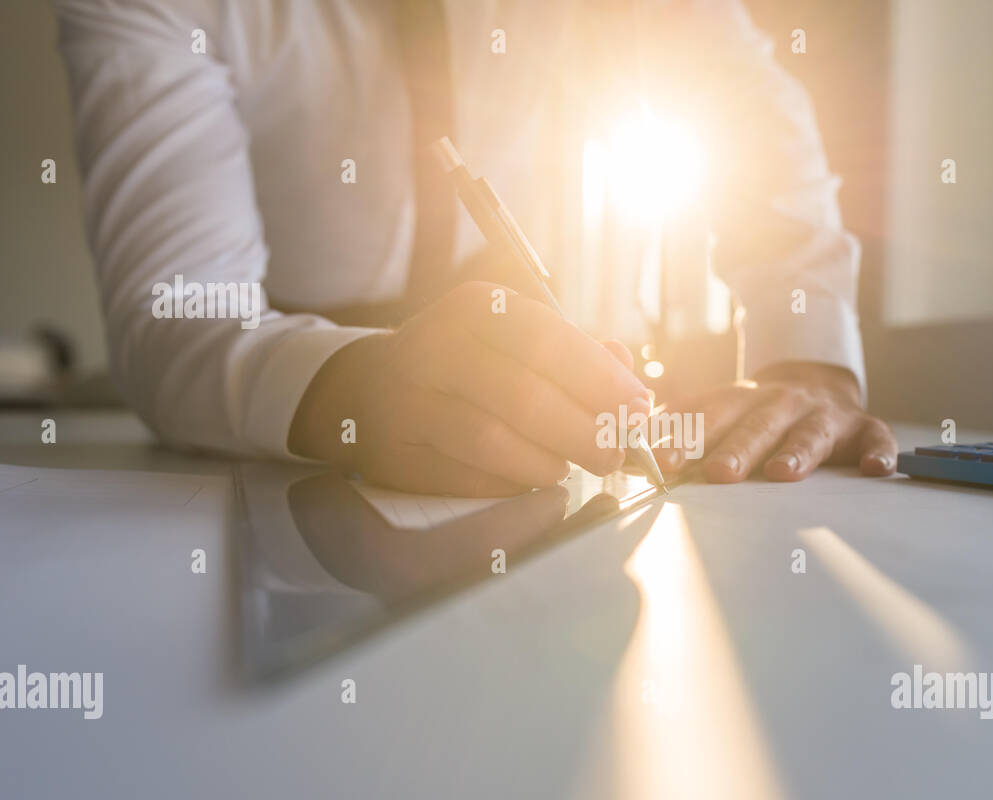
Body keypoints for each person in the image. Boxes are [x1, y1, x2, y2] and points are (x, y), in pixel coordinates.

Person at [55, 0, 897, 496]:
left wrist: (806, 359)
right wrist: (349, 389)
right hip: (294, 457)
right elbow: (181, 312)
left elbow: (752, 118)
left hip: (585, 423)